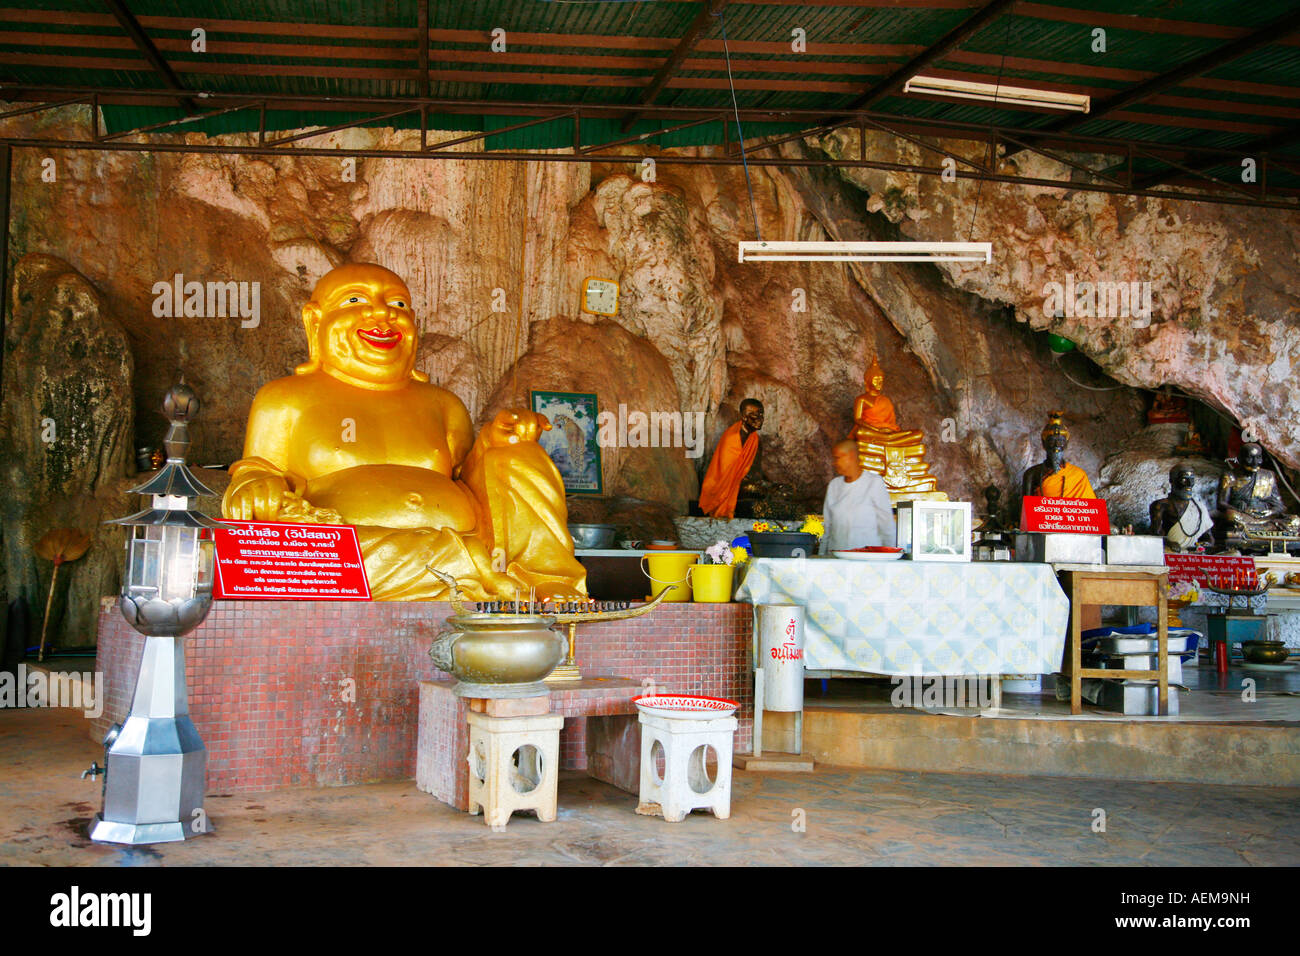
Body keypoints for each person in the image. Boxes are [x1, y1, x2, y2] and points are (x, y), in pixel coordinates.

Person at [221, 263, 586, 600]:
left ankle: (544, 577)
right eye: (354, 300)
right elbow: (256, 476)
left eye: (398, 304)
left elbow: (470, 480)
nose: (383, 313)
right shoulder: (286, 397)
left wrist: (496, 442)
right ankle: (471, 568)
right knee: (297, 559)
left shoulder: (442, 403)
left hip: (463, 539)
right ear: (315, 321)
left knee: (519, 454)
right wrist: (255, 485)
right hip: (350, 553)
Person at [1214, 442, 1300, 549]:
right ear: (1240, 458)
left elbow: (1279, 506)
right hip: (1243, 517)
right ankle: (1261, 535)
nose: (1255, 462)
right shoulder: (1230, 476)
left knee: (1295, 520)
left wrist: (1269, 512)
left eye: (1258, 457)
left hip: (1266, 518)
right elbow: (1221, 503)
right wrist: (1240, 510)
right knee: (1231, 516)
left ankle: (1264, 536)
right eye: (1250, 458)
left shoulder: (1269, 476)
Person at [819, 439, 896, 554]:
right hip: (836, 559)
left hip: (868, 561)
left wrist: (888, 557)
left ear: (851, 456)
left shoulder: (874, 483)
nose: (834, 463)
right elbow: (828, 529)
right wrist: (821, 556)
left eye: (837, 458)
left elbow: (887, 526)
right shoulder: (834, 486)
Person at [698, 399, 766, 519]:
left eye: (762, 415)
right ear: (744, 417)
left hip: (742, 482)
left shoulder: (754, 439)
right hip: (724, 486)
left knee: (776, 490)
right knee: (752, 489)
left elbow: (755, 471)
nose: (760, 419)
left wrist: (763, 482)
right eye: (756, 415)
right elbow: (726, 474)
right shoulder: (732, 438)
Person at [1021, 411, 1096, 499]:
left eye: (1060, 442)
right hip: (1044, 512)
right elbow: (1026, 508)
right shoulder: (1032, 473)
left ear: (1066, 444)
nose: (1056, 445)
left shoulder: (1079, 475)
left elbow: (1089, 509)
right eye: (1052, 441)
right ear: (1044, 444)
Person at [1149, 463, 1213, 551]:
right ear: (1172, 480)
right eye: (1184, 479)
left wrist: (1205, 545)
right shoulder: (1161, 505)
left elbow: (1209, 538)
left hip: (1193, 553)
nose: (1189, 484)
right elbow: (1155, 535)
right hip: (1170, 551)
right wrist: (1169, 543)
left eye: (1192, 479)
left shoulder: (1200, 507)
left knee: (1235, 554)